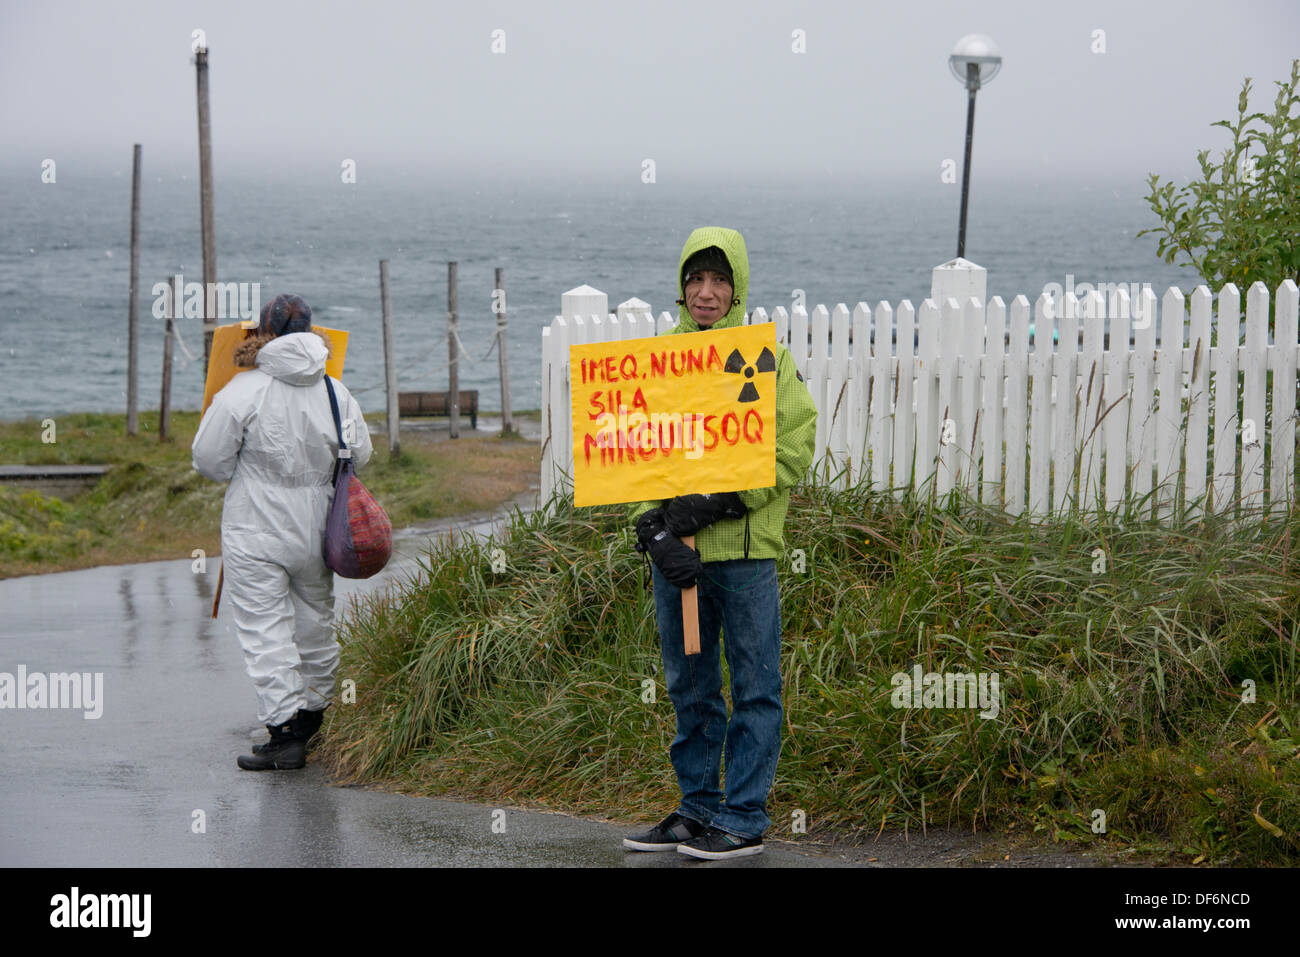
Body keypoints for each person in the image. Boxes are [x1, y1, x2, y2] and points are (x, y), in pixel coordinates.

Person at [623, 227, 817, 859]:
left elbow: (791, 450)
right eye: (695, 280)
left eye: (718, 280)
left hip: (744, 553)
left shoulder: (768, 360)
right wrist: (652, 530)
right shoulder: (658, 359)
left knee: (756, 684)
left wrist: (722, 502)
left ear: (738, 287)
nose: (705, 293)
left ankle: (743, 815)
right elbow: (631, 453)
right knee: (691, 683)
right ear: (681, 285)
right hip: (679, 557)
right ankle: (698, 808)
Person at [192, 293, 372, 771]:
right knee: (316, 618)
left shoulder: (241, 392)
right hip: (320, 522)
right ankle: (315, 718)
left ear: (262, 333)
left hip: (256, 522)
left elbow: (208, 463)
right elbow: (362, 455)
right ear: (314, 334)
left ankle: (284, 734)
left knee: (264, 627)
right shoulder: (336, 391)